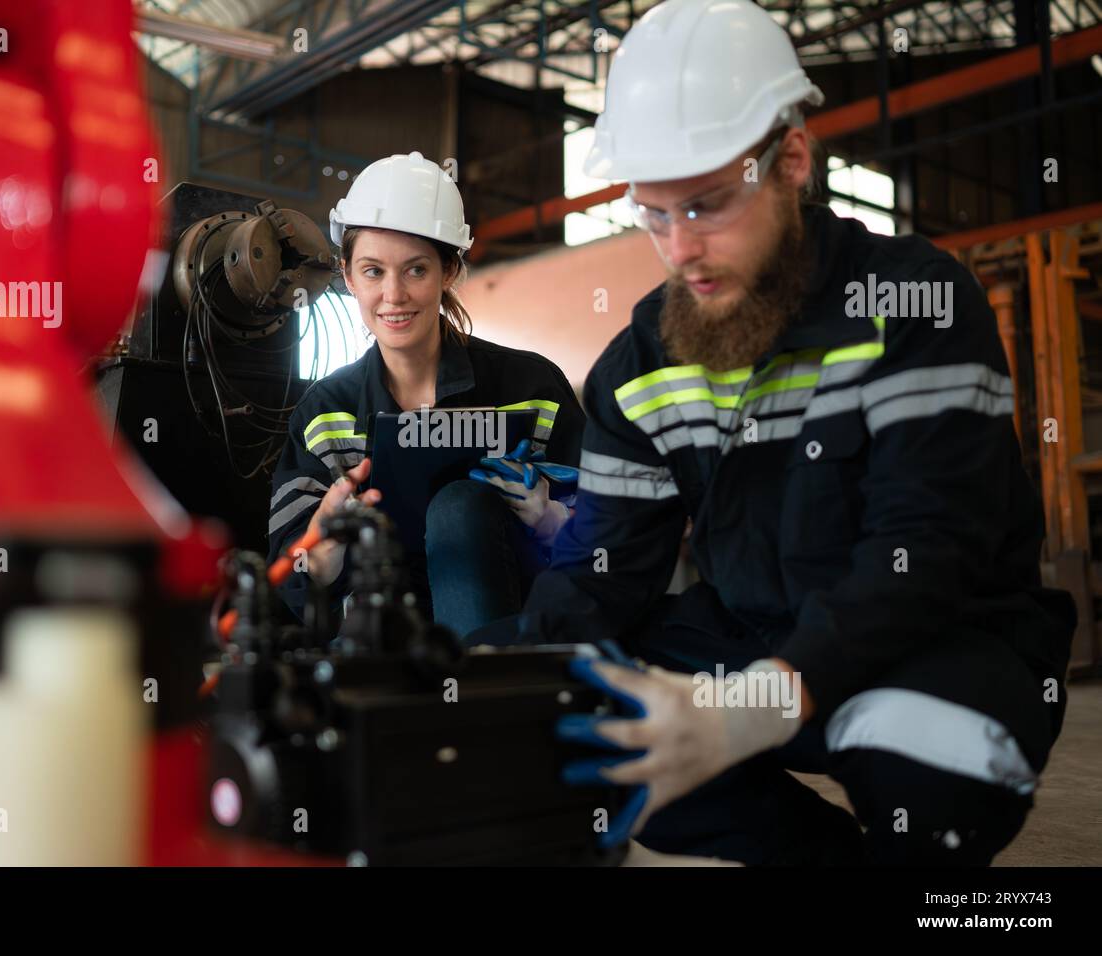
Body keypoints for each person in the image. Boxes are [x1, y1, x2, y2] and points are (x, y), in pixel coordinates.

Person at [509, 0, 1075, 865]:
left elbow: (927, 552)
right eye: (652, 215)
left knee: (936, 770)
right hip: (750, 631)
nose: (679, 249)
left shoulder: (910, 304)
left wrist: (753, 708)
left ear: (793, 163)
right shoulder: (640, 367)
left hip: (938, 641)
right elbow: (599, 575)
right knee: (570, 712)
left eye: (703, 205)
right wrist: (505, 686)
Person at [268, 152, 584, 637]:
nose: (393, 295)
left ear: (449, 271)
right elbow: (290, 584)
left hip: (516, 649)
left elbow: (605, 552)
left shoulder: (531, 390)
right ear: (348, 276)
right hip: (378, 659)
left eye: (416, 270)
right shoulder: (324, 415)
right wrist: (323, 546)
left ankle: (479, 687)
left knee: (460, 506)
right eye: (373, 271)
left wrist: (549, 517)